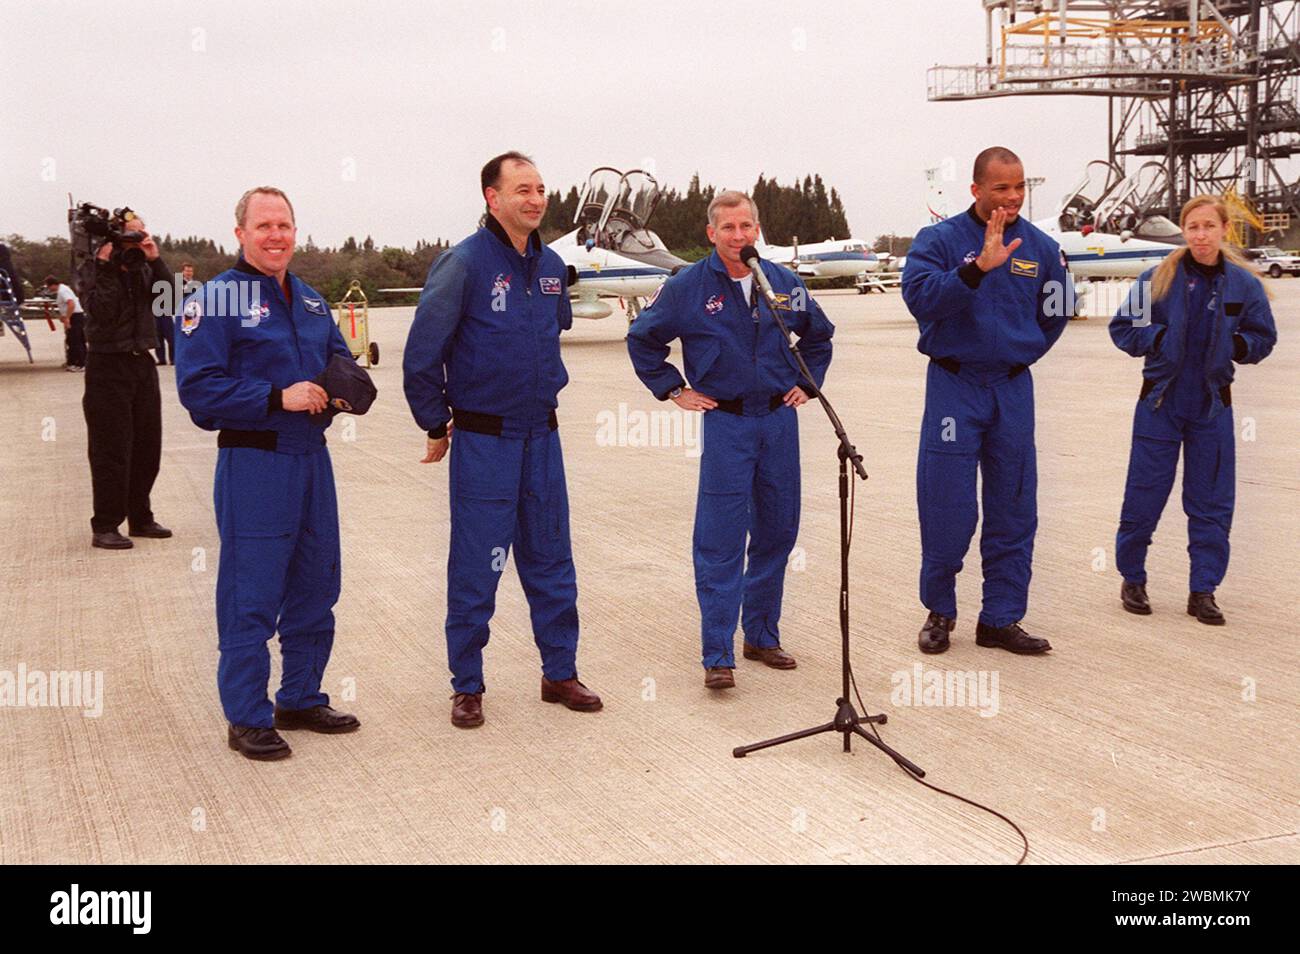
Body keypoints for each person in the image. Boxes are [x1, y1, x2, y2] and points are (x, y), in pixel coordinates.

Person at [403, 151, 601, 728]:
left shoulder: (551, 266)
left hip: (542, 439)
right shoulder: (463, 264)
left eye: (540, 188)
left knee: (552, 560)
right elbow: (422, 354)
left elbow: (553, 330)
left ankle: (559, 672)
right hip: (485, 444)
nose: (536, 199)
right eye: (522, 189)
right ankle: (467, 685)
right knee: (476, 565)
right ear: (493, 198)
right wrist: (435, 422)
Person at [176, 186, 361, 761]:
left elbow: (340, 360)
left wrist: (346, 390)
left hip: (312, 461)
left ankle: (300, 696)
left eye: (285, 224)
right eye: (264, 226)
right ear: (240, 234)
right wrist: (276, 397)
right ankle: (247, 716)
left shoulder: (308, 300)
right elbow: (198, 390)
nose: (277, 235)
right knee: (250, 593)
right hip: (255, 461)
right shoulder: (215, 300)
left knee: (315, 582)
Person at [627, 191, 834, 690]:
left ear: (757, 230)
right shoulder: (687, 287)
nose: (738, 236)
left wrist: (808, 384)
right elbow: (643, 338)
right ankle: (717, 652)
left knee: (778, 531)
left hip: (778, 423)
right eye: (728, 228)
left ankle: (762, 636)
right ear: (711, 234)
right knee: (720, 540)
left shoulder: (782, 282)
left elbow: (820, 337)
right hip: (728, 423)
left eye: (746, 227)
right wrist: (674, 388)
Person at [901, 147, 1072, 656]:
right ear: (976, 189)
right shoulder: (939, 241)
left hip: (1012, 389)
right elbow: (920, 298)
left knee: (1015, 504)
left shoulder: (1040, 248)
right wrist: (976, 269)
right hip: (956, 387)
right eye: (1002, 187)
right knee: (947, 503)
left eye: (1019, 187)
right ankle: (940, 612)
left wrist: (1021, 353)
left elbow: (1057, 310)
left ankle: (1001, 617)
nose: (1013, 196)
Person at [1109, 195, 1277, 624]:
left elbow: (1263, 336)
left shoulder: (1243, 285)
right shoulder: (1157, 280)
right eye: (1192, 227)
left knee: (1212, 503)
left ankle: (1203, 590)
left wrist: (1238, 346)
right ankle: (1133, 578)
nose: (1200, 235)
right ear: (1184, 232)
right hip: (1160, 404)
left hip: (1212, 408)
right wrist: (1158, 339)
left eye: (1208, 226)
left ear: (1223, 230)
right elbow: (1124, 329)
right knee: (1143, 497)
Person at [82, 213, 172, 550]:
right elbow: (101, 313)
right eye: (130, 237)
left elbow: (173, 301)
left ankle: (140, 516)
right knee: (111, 449)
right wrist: (107, 270)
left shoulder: (144, 268)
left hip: (141, 362)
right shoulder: (94, 268)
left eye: (141, 235)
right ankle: (105, 524)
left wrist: (155, 258)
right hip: (106, 364)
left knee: (148, 446)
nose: (135, 243)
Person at [45, 276, 86, 371]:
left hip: (74, 316)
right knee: (71, 340)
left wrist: (67, 318)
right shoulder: (63, 289)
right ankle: (72, 361)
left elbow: (71, 304)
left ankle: (81, 364)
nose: (49, 289)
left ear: (53, 285)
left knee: (76, 341)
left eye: (49, 287)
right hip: (73, 315)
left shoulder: (62, 292)